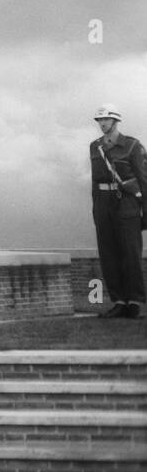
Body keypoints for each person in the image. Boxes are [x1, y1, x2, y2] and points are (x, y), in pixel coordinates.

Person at [90, 103, 147, 319]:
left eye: (105, 119)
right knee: (109, 255)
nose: (102, 123)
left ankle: (134, 302)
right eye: (99, 120)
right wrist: (96, 210)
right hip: (103, 205)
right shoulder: (95, 147)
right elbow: (95, 182)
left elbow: (144, 180)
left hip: (127, 205)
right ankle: (119, 301)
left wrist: (145, 213)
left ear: (115, 121)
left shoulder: (132, 146)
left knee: (130, 255)